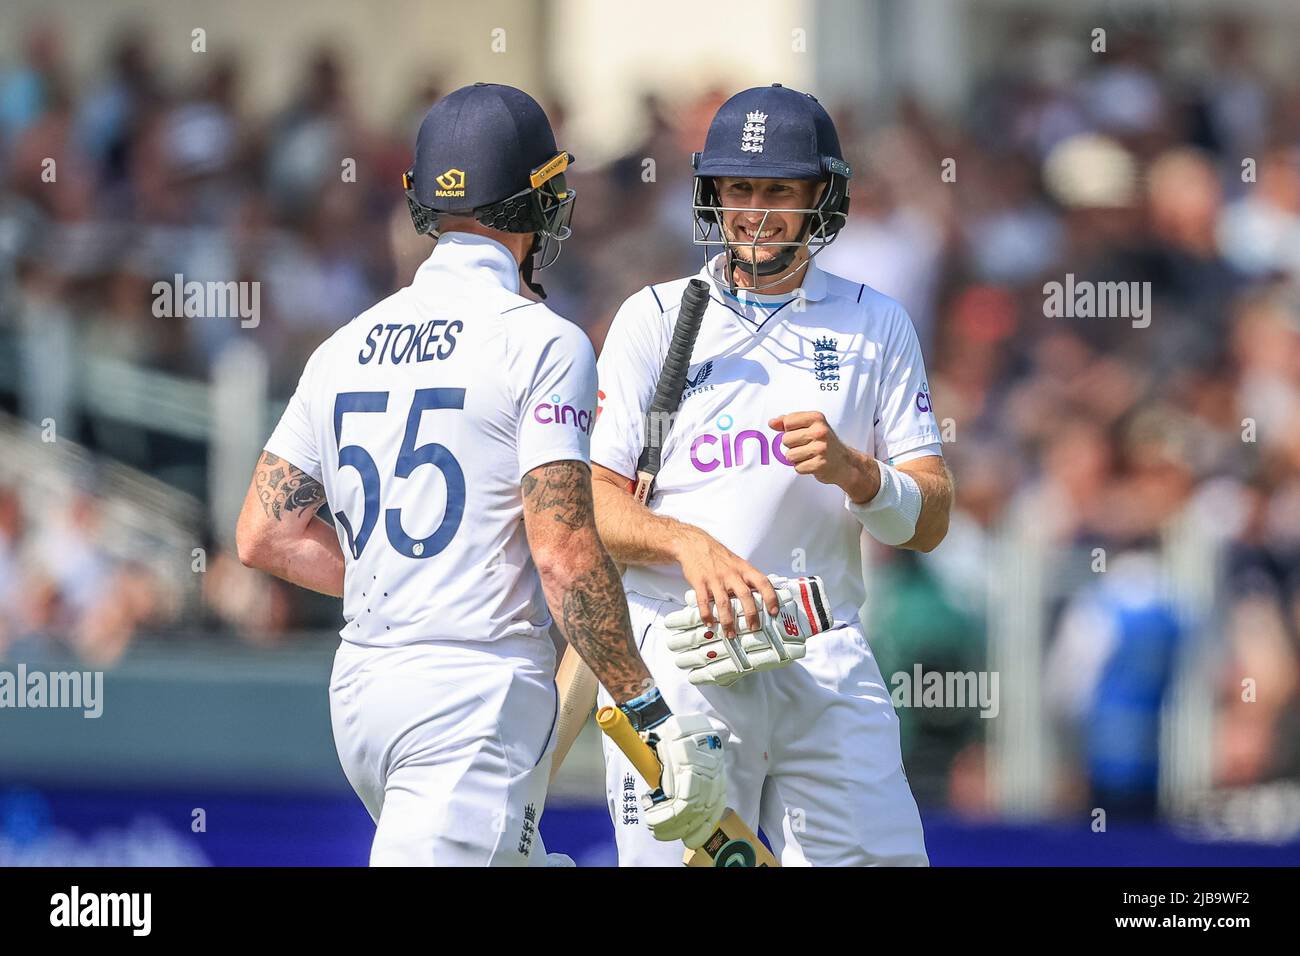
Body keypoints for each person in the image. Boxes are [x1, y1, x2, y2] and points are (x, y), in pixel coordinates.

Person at [235, 83, 725, 866]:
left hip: (363, 693)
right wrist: (651, 714)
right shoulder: (543, 342)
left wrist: (403, 585)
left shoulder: (344, 345)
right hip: (472, 697)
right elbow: (564, 554)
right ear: (535, 201)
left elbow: (265, 534)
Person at [589, 84, 953, 865]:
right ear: (711, 195)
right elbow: (593, 504)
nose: (754, 211)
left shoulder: (874, 321)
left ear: (822, 198)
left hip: (822, 648)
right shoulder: (653, 318)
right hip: (684, 651)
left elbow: (931, 519)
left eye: (779, 191)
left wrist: (861, 475)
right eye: (737, 189)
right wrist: (688, 544)